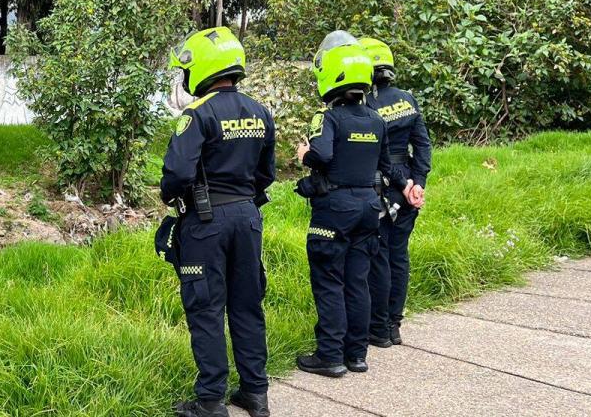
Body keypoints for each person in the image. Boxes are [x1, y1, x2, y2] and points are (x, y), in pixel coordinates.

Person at [159, 27, 275, 417]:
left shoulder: (196, 115)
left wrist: (170, 196)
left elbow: (176, 174)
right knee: (247, 305)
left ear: (204, 69)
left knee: (206, 309)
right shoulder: (261, 112)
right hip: (248, 217)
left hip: (206, 222)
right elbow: (266, 173)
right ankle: (255, 394)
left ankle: (210, 401)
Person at [293, 31, 415, 377]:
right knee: (358, 280)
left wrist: (305, 155)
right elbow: (385, 166)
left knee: (330, 279)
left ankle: (330, 356)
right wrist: (407, 184)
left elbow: (324, 154)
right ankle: (357, 355)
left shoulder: (327, 118)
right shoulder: (376, 119)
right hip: (369, 208)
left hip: (335, 209)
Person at [359, 37, 430, 347]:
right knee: (400, 257)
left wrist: (402, 183)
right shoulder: (408, 99)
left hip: (384, 186)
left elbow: (378, 155)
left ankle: (379, 328)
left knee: (381, 256)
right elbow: (423, 145)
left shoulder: (367, 107)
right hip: (409, 186)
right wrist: (417, 184)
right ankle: (394, 325)